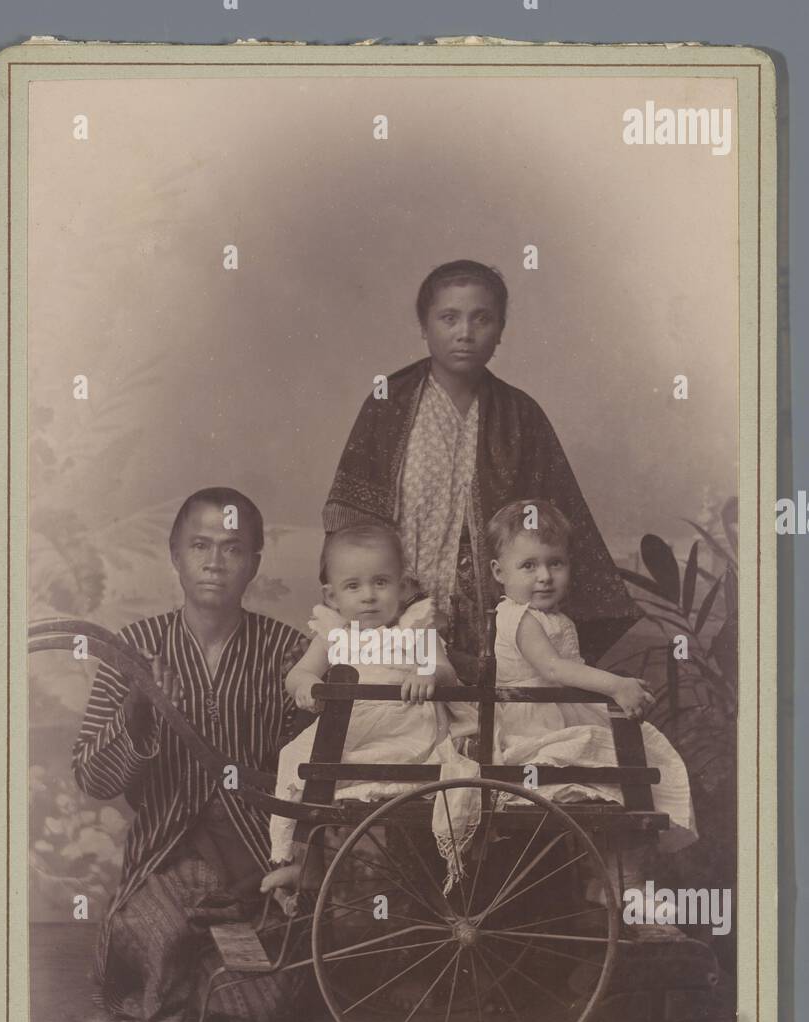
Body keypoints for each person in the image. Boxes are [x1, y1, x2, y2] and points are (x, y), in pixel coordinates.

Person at [72, 487, 312, 1022]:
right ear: (174, 554)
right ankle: (192, 971)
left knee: (272, 1000)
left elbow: (310, 778)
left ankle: (199, 978)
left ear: (254, 562)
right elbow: (92, 777)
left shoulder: (289, 654)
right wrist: (138, 715)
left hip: (255, 863)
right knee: (142, 944)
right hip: (168, 856)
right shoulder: (132, 648)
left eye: (233, 548)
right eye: (200, 545)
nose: (214, 562)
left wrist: (294, 859)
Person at [323, 259, 637, 671]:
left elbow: (549, 526)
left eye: (482, 319)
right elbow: (351, 519)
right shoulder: (388, 404)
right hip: (396, 610)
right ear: (424, 326)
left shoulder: (520, 415)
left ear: (501, 330)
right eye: (449, 318)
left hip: (491, 614)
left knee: (491, 717)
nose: (465, 334)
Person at [488, 498, 696, 920]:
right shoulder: (519, 619)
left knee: (632, 765)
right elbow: (552, 667)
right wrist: (615, 684)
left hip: (558, 716)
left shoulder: (554, 618)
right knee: (619, 772)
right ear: (499, 573)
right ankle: (621, 882)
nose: (545, 577)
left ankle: (618, 879)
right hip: (534, 731)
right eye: (528, 566)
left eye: (556, 563)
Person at [262, 522, 460, 890]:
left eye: (381, 583)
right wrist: (306, 684)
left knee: (333, 764)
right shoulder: (334, 635)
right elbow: (300, 672)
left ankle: (316, 866)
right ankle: (301, 859)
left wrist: (426, 673)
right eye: (354, 586)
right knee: (297, 757)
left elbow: (446, 671)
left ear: (402, 588)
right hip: (349, 729)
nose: (368, 596)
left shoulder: (417, 632)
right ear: (332, 596)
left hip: (404, 730)